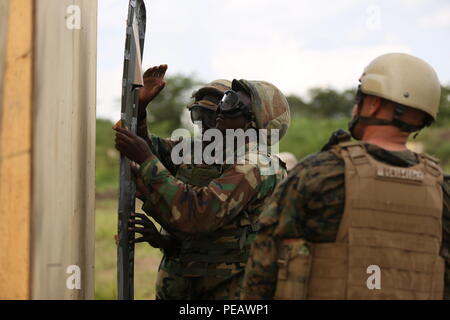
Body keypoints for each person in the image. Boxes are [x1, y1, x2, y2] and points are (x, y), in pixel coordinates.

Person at [242, 52, 450, 300]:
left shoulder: (318, 174)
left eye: (359, 97)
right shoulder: (443, 189)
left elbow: (263, 268)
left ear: (374, 104)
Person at [114, 66, 291, 299]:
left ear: (253, 121)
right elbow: (143, 145)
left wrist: (147, 162)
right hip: (186, 284)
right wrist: (140, 108)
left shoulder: (255, 165)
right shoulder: (210, 152)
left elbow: (197, 214)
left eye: (232, 102)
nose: (221, 109)